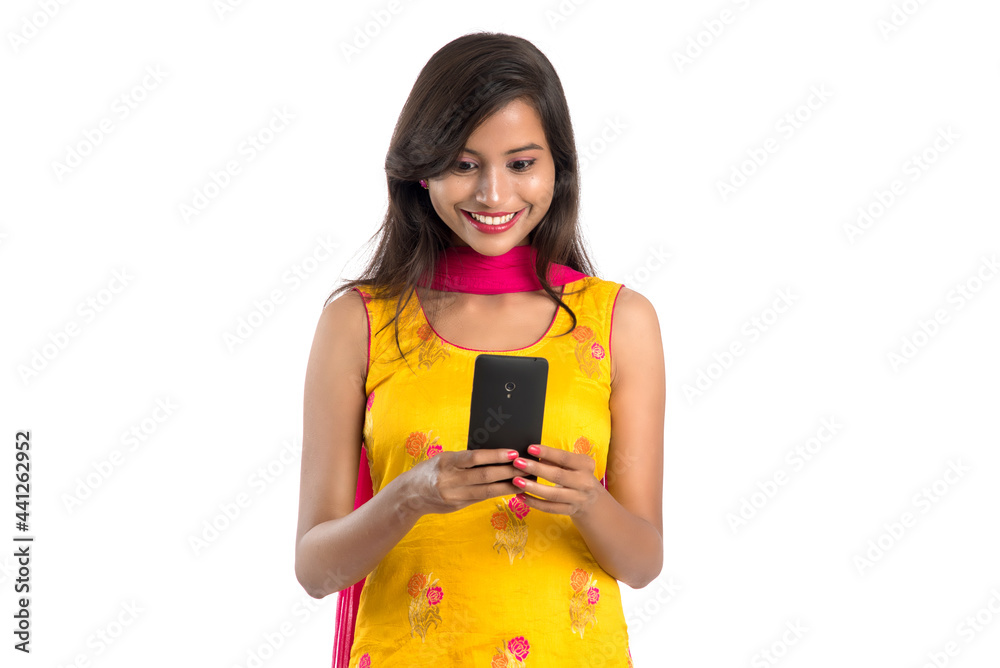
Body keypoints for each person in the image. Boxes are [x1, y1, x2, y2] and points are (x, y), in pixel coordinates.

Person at [295, 31, 665, 667]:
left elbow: (642, 562)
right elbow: (315, 569)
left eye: (521, 164)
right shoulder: (359, 321)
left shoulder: (618, 321)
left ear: (558, 168)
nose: (494, 195)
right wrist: (412, 494)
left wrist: (586, 501)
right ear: (420, 171)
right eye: (464, 165)